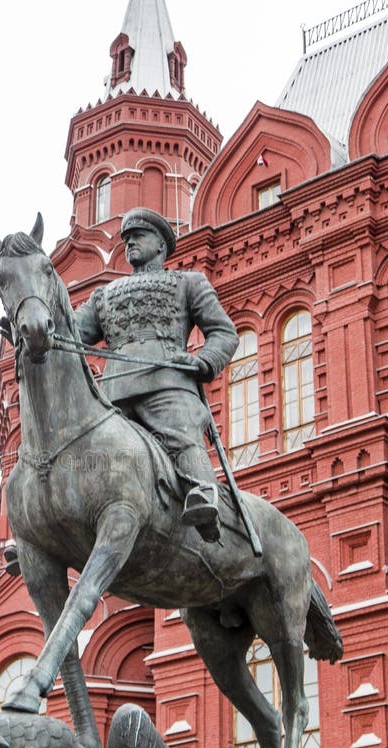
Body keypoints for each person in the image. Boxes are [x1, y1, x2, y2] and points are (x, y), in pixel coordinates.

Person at [74, 207, 238, 542]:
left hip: (167, 382)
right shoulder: (104, 295)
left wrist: (204, 361)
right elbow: (70, 334)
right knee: (80, 453)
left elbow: (225, 333)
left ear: (161, 245)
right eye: (127, 238)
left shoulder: (188, 282)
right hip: (113, 393)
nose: (130, 242)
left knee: (179, 433)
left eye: (138, 236)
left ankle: (204, 496)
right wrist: (29, 329)